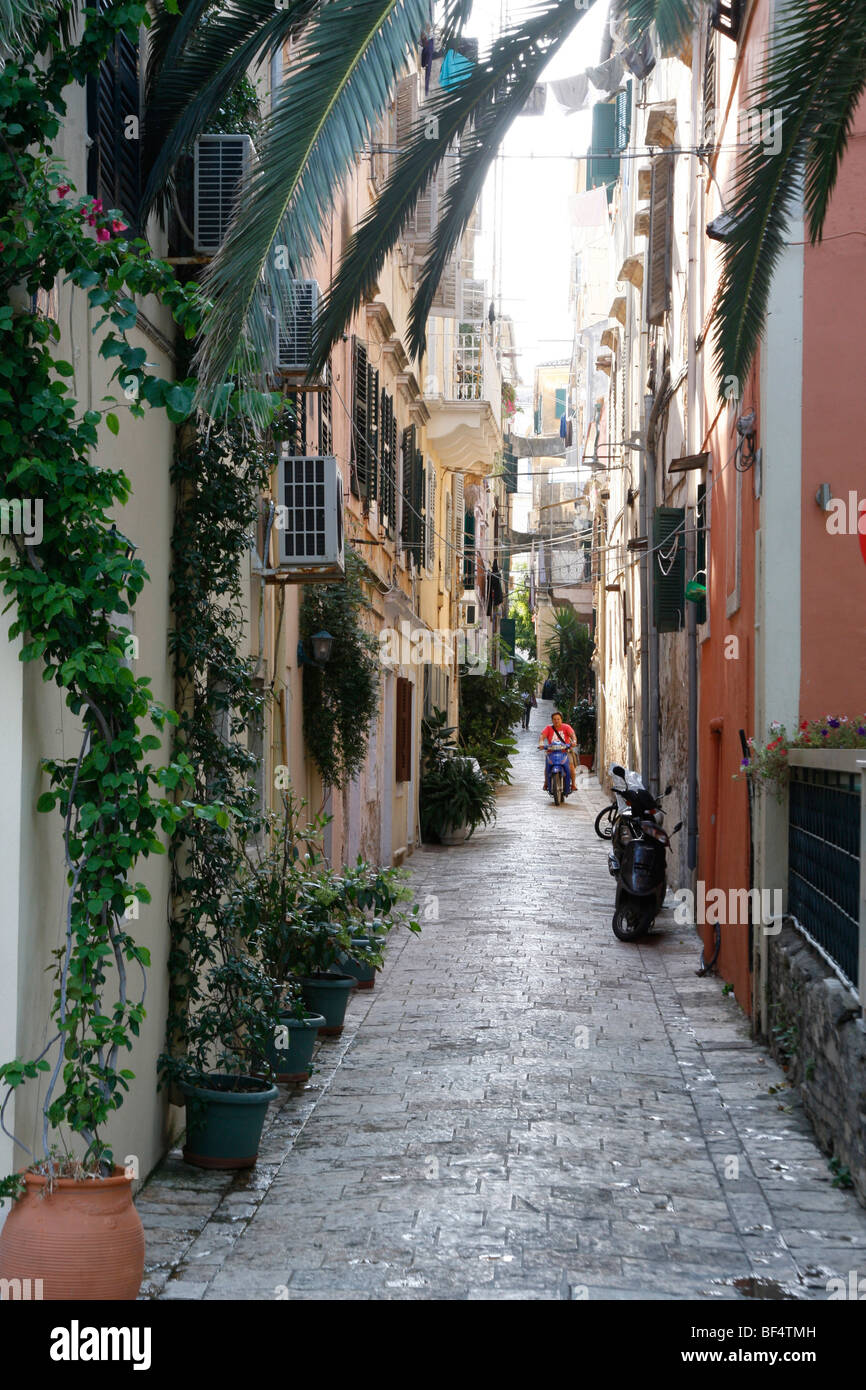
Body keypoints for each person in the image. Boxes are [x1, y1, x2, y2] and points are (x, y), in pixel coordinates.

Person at [538, 710, 577, 791]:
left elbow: (573, 735)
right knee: (547, 767)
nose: (556, 721)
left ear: (561, 719)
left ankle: (573, 784)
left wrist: (574, 741)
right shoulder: (548, 728)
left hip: (565, 752)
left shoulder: (566, 727)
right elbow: (542, 736)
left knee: (571, 766)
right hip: (551, 752)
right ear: (552, 720)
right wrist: (541, 743)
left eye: (558, 719)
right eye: (554, 719)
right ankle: (546, 782)